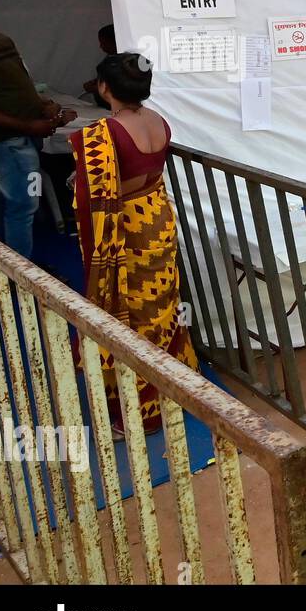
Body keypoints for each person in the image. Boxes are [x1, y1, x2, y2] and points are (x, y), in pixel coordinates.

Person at [71, 53, 197, 435]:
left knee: (128, 312)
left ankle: (137, 410)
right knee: (161, 302)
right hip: (157, 219)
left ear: (105, 88)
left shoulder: (103, 134)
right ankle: (176, 381)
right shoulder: (159, 121)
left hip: (125, 230)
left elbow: (91, 197)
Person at [0, 2, 76, 259]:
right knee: (23, 205)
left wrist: (43, 106)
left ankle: (18, 266)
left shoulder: (2, 42)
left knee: (23, 204)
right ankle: (20, 277)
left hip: (27, 136)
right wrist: (27, 125)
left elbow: (20, 83)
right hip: (6, 141)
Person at [80, 24, 117, 109]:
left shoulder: (124, 62)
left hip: (113, 108)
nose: (100, 46)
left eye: (103, 43)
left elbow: (120, 87)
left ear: (114, 42)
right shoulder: (110, 57)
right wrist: (96, 81)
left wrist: (97, 88)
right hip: (104, 106)